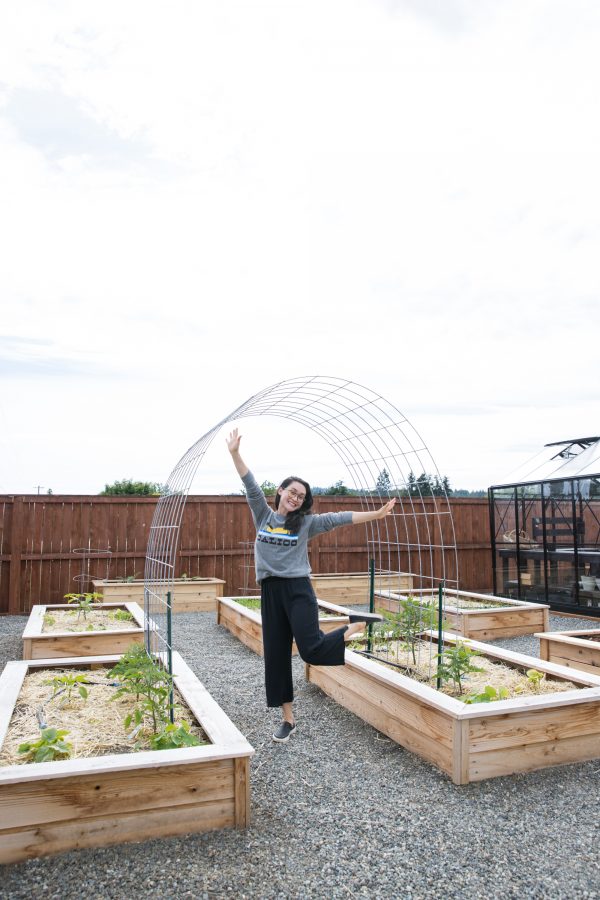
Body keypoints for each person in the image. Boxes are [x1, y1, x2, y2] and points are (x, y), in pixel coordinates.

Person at [226, 428, 397, 743]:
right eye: (291, 492)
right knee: (276, 656)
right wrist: (235, 452)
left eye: (301, 496)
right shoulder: (263, 516)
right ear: (280, 491)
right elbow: (249, 483)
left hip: (298, 591)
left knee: (312, 650)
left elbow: (340, 518)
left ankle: (356, 626)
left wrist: (377, 514)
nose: (295, 498)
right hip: (270, 592)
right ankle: (288, 720)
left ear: (304, 502)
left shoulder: (306, 524)